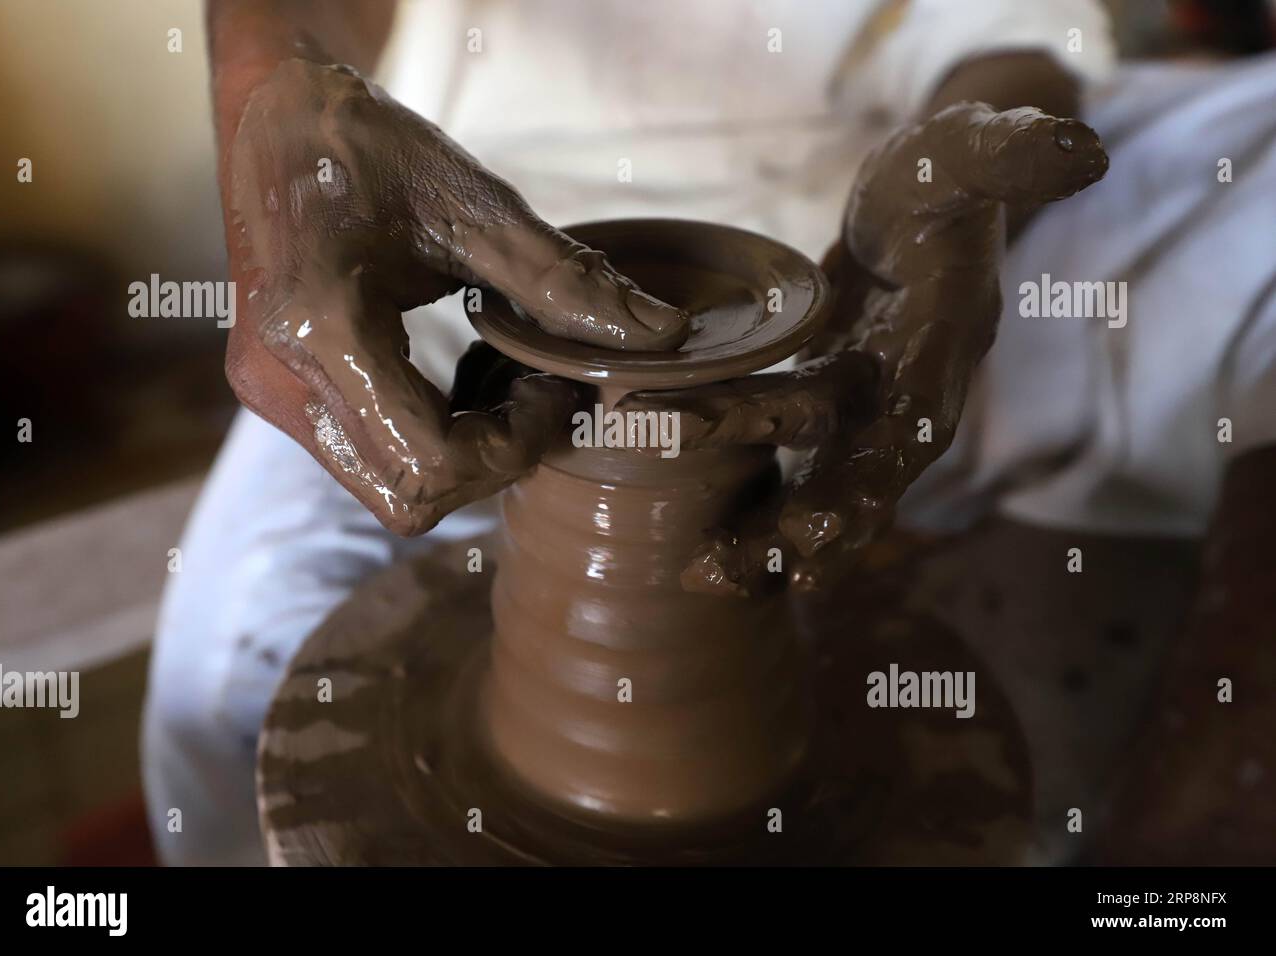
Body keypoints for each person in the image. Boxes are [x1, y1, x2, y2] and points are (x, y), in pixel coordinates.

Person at [143, 0, 1115, 865]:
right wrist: (275, 91)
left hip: (847, 257)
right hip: (443, 236)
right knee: (218, 690)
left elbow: (1013, 34)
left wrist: (958, 183)